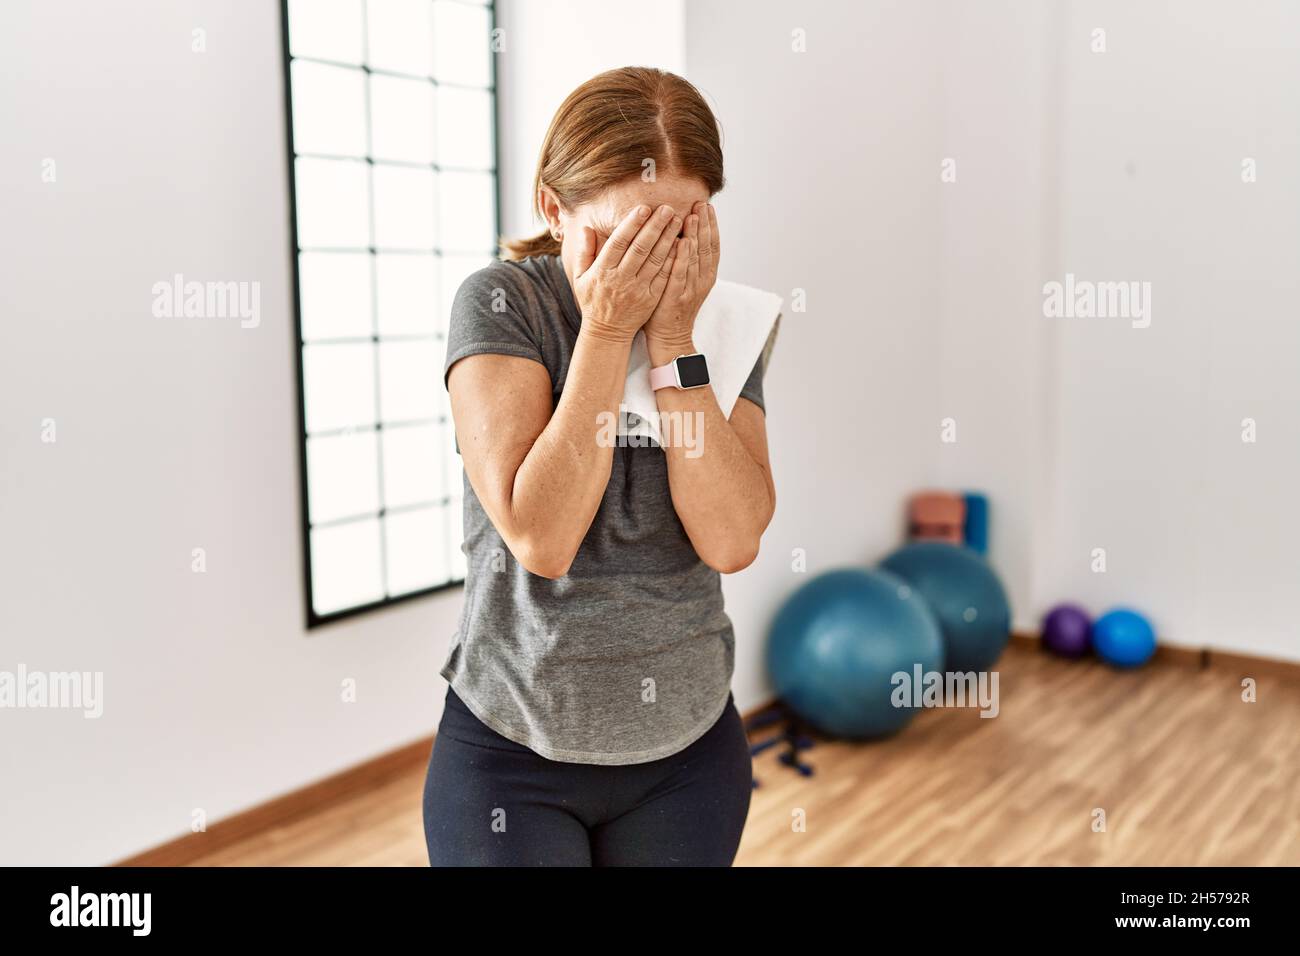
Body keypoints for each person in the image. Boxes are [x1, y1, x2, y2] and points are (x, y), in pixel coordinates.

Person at [422, 66, 776, 866]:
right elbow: (542, 537)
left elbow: (732, 538)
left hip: (688, 753)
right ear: (553, 207)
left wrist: (676, 343)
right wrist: (611, 332)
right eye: (619, 238)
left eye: (676, 233)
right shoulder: (504, 304)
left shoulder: (726, 322)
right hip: (514, 749)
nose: (646, 269)